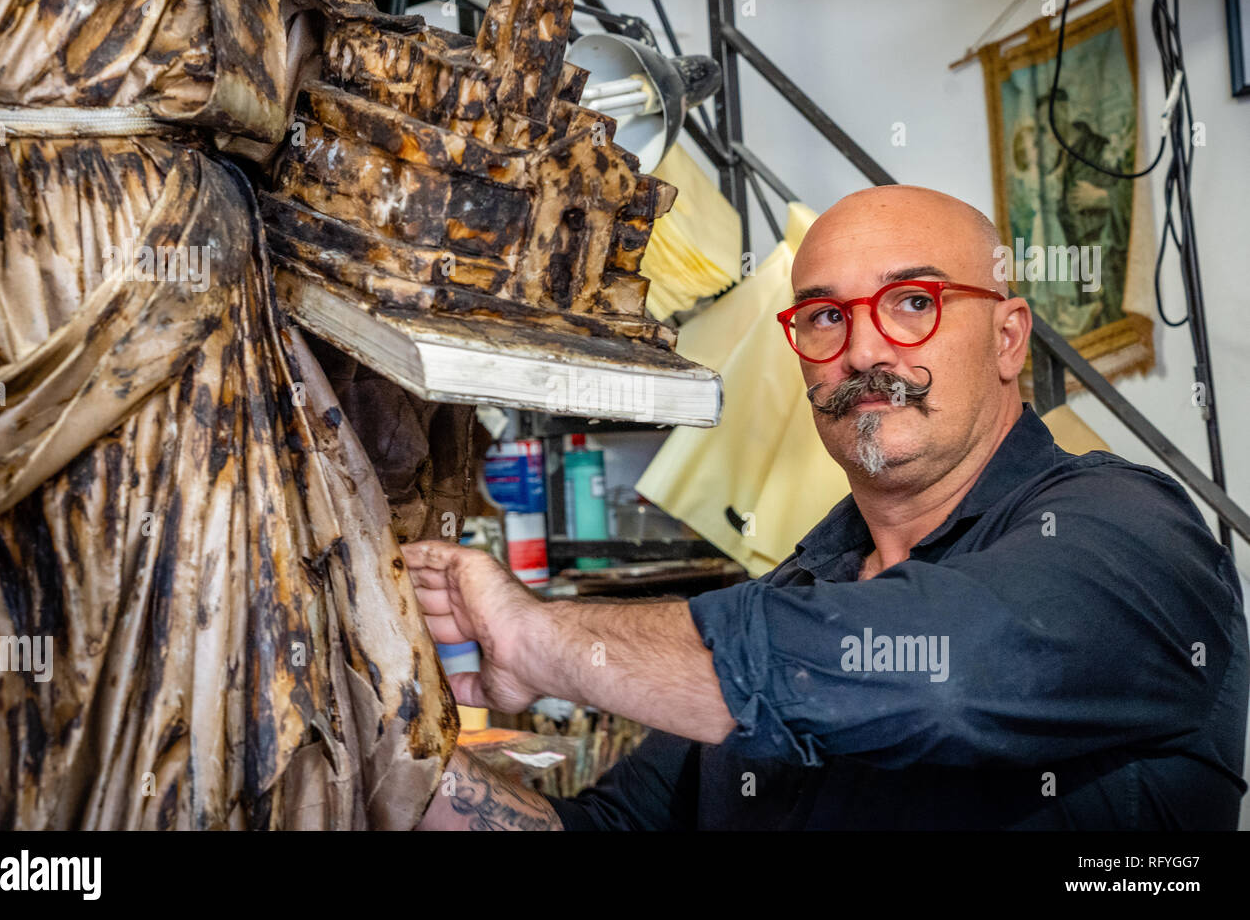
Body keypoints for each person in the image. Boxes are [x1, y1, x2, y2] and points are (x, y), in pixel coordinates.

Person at [407, 185, 1248, 830]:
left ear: (1008, 338)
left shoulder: (1133, 532)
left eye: (914, 302)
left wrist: (538, 638)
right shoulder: (800, 591)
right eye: (823, 317)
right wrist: (404, 760)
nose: (865, 350)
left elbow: (935, 673)